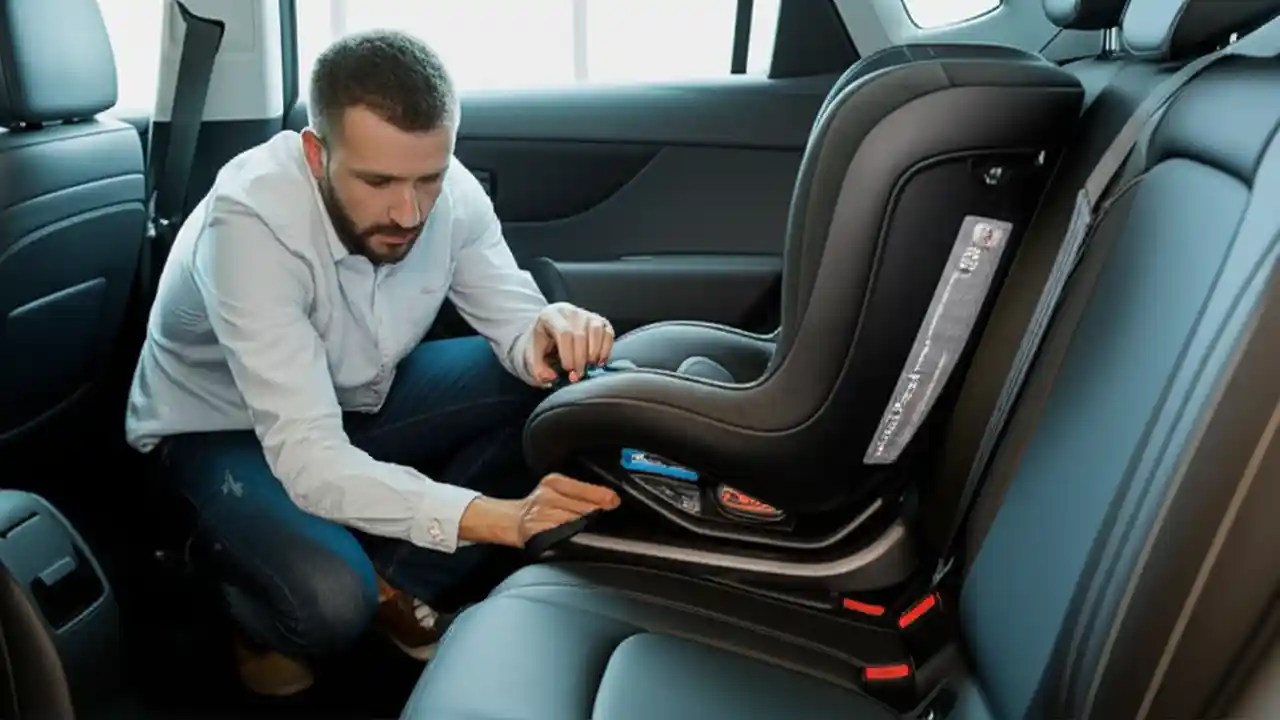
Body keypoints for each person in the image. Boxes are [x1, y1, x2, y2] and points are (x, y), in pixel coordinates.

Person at [124, 28, 622, 696]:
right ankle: (245, 592)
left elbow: (514, 323)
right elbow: (311, 459)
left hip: (355, 398)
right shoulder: (249, 225)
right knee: (329, 603)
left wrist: (549, 328)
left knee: (557, 387)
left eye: (428, 178)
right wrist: (504, 518)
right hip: (220, 429)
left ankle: (397, 582)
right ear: (316, 154)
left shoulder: (451, 193)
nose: (408, 212)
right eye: (378, 181)